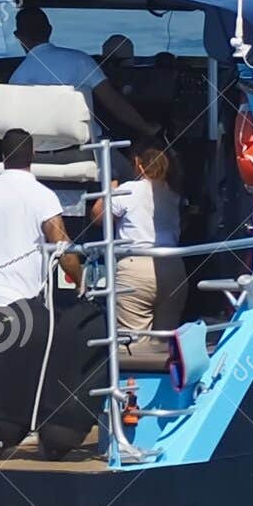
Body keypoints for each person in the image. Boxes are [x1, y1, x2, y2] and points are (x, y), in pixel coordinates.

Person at [0, 128, 71, 456]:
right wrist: (79, 278)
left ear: (3, 155)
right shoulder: (42, 195)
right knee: (21, 362)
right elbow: (61, 243)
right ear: (34, 154)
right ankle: (4, 434)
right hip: (21, 293)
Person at [92, 142, 184, 364]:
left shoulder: (129, 189)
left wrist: (110, 188)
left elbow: (97, 216)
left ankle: (132, 393)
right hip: (173, 268)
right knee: (164, 344)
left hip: (136, 268)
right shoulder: (173, 194)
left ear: (138, 165)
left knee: (133, 347)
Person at [8, 7, 158, 141]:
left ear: (18, 36)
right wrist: (146, 128)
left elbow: (15, 128)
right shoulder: (81, 60)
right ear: (49, 30)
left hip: (37, 159)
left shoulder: (17, 78)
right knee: (130, 171)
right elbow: (114, 102)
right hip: (88, 152)